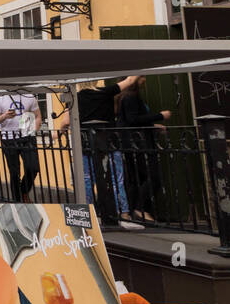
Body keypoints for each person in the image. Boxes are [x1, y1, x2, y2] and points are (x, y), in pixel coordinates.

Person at [56, 76, 140, 227]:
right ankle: (124, 213)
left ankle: (89, 213)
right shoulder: (106, 92)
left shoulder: (76, 97)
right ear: (94, 81)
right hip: (109, 140)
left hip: (85, 141)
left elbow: (66, 121)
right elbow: (129, 82)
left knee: (87, 179)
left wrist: (60, 132)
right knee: (116, 177)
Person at [118, 76, 170, 223]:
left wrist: (153, 126)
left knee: (138, 179)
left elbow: (132, 121)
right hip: (138, 144)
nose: (144, 79)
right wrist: (160, 116)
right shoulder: (130, 97)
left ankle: (133, 211)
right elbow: (132, 120)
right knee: (153, 177)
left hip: (135, 141)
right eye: (141, 77)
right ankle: (140, 208)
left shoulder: (128, 97)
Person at [0, 91, 42, 203]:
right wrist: (5, 116)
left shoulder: (29, 96)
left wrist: (33, 131)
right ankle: (17, 200)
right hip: (8, 138)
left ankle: (23, 192)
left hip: (27, 136)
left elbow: (37, 116)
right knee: (14, 173)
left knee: (33, 168)